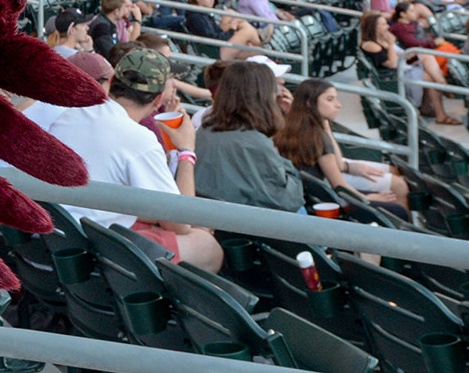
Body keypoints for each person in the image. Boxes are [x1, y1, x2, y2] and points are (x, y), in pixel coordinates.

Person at [47, 49, 223, 270]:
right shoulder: (139, 139)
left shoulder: (71, 115)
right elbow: (180, 223)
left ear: (111, 81)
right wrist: (186, 150)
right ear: (159, 98)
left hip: (59, 240)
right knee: (207, 246)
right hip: (94, 250)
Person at [276, 78, 408, 208]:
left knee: (394, 175)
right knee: (399, 207)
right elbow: (338, 184)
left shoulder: (297, 127)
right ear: (310, 103)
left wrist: (326, 125)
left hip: (310, 196)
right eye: (330, 100)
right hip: (329, 201)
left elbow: (338, 164)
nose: (338, 105)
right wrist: (368, 199)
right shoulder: (316, 137)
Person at [195, 61, 302, 212]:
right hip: (245, 228)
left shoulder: (205, 130)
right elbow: (288, 201)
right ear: (261, 97)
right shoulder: (255, 143)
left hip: (214, 221)